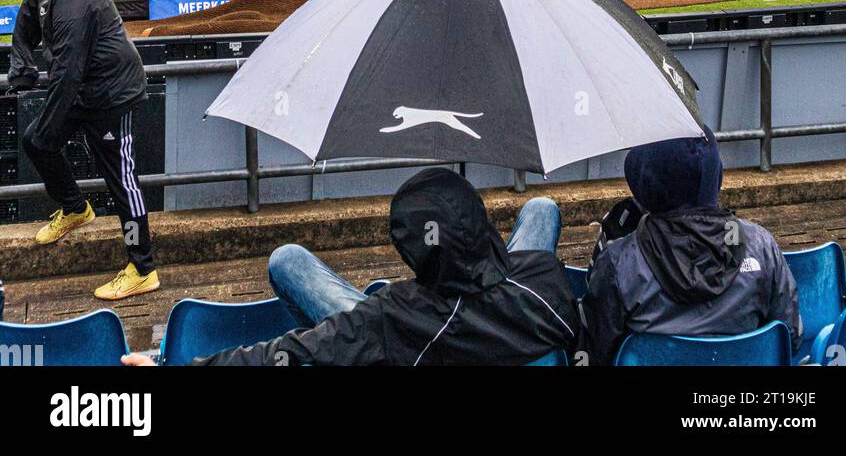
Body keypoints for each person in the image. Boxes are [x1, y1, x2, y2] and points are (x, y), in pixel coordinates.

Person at [124, 168, 577, 367]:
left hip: (411, 340)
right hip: (513, 302)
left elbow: (290, 352)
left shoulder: (394, 313)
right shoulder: (544, 275)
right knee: (540, 206)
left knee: (287, 261)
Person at [7, 0, 159, 300]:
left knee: (122, 183)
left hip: (111, 97)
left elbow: (68, 72)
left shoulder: (74, 0)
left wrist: (52, 121)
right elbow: (25, 22)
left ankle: (143, 268)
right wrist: (22, 69)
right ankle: (76, 209)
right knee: (36, 142)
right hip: (83, 90)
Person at [578, 130, 800, 364]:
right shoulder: (762, 245)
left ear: (642, 182)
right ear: (717, 176)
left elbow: (591, 355)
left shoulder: (618, 261)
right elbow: (790, 337)